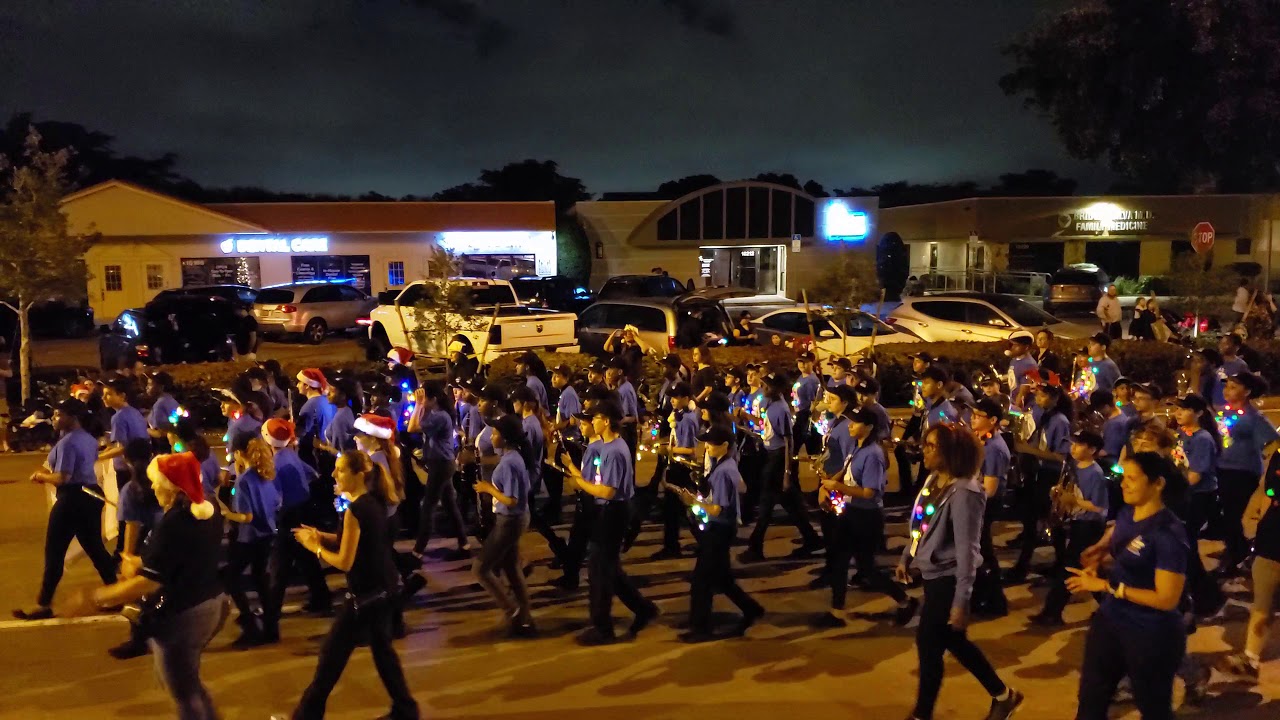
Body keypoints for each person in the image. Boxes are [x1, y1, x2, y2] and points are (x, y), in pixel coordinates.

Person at [57, 452, 228, 719]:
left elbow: (148, 583)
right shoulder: (209, 508)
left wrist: (95, 597)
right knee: (188, 684)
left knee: (185, 692)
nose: (154, 489)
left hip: (184, 614)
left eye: (157, 483)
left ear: (170, 487)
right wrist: (140, 560)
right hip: (211, 603)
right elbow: (181, 556)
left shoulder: (173, 525)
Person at [898, 423, 1024, 720]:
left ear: (952, 452)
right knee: (953, 641)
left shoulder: (965, 491)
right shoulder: (934, 481)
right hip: (932, 574)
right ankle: (1004, 696)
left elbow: (969, 549)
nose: (924, 450)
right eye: (925, 444)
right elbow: (921, 525)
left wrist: (961, 600)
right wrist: (908, 555)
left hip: (950, 578)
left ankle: (922, 714)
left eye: (932, 446)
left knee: (928, 647)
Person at [289, 451, 420, 720]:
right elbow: (353, 540)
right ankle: (406, 709)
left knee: (330, 658)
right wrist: (320, 535)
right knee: (383, 654)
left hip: (365, 597)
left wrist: (314, 547)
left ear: (358, 474)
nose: (334, 474)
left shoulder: (356, 510)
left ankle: (305, 716)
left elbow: (345, 561)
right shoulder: (373, 503)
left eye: (341, 470)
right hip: (384, 590)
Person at [1070, 452, 1189, 720]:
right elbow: (1125, 550)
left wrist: (1108, 586)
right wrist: (1098, 556)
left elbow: (1167, 599)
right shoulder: (1127, 512)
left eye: (1132, 479)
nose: (1123, 484)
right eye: (1123, 478)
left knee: (1153, 708)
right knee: (1090, 699)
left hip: (1151, 634)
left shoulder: (1168, 534)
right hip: (1111, 621)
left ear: (1157, 484)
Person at [556, 402, 659, 646]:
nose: (593, 422)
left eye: (597, 417)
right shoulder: (608, 446)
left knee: (599, 572)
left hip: (613, 512)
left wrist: (580, 484)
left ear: (608, 420)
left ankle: (603, 628)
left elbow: (608, 491)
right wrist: (573, 469)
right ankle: (643, 609)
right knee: (608, 568)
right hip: (610, 511)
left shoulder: (613, 450)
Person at [13, 398, 117, 620]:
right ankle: (116, 591)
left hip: (73, 497)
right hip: (90, 494)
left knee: (55, 551)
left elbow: (62, 477)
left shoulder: (68, 442)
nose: (55, 418)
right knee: (94, 548)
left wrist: (41, 476)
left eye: (60, 414)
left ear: (73, 417)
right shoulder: (87, 439)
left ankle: (44, 604)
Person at [818, 403, 918, 628]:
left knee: (866, 569)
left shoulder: (873, 454)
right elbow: (846, 473)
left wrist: (838, 487)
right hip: (851, 512)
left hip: (865, 517)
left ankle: (906, 600)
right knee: (841, 562)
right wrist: (830, 484)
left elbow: (869, 492)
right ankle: (837, 611)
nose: (850, 426)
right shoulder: (857, 447)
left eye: (855, 423)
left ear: (869, 427)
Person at [673, 424, 764, 642]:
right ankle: (751, 609)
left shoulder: (724, 471)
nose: (706, 447)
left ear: (724, 446)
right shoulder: (724, 465)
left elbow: (718, 508)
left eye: (711, 444)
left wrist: (692, 501)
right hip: (722, 528)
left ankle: (701, 628)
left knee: (701, 582)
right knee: (722, 579)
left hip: (719, 529)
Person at [1030, 430, 1110, 626]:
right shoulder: (1072, 466)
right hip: (1076, 522)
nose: (1072, 447)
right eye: (1072, 443)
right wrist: (1057, 493)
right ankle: (1111, 608)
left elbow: (1099, 507)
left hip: (1089, 525)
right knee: (1088, 569)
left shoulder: (1096, 474)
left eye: (1079, 444)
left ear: (1092, 450)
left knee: (1071, 567)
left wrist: (1074, 500)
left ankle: (1052, 612)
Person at [741, 372, 822, 562]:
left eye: (768, 386)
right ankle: (811, 538)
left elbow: (788, 440)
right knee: (790, 503)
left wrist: (787, 471)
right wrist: (747, 420)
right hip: (770, 454)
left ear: (778, 389)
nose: (764, 388)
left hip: (777, 459)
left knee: (767, 503)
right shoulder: (769, 404)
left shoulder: (781, 409)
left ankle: (756, 546)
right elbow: (766, 428)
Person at [1218, 446, 1280, 682]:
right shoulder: (1278, 453)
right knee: (1262, 603)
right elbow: (1266, 488)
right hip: (1272, 537)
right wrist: (1252, 518)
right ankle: (1251, 659)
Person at [472, 414, 536, 637]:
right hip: (513, 519)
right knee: (511, 568)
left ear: (506, 438)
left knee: (480, 569)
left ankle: (513, 610)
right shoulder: (513, 457)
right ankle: (524, 618)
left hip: (509, 520)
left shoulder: (510, 462)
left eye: (496, 433)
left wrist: (488, 489)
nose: (492, 436)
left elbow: (513, 500)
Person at [261, 419, 332, 619]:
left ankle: (271, 610)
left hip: (288, 516)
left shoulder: (276, 463)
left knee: (279, 564)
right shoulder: (291, 455)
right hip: (303, 510)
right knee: (306, 558)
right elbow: (312, 474)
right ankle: (321, 598)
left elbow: (274, 497)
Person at [218, 434, 281, 647]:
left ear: (238, 453)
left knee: (231, 579)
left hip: (250, 535)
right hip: (267, 533)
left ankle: (250, 625)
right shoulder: (267, 474)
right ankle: (271, 628)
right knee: (260, 578)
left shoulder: (245, 480)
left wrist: (226, 513)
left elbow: (247, 516)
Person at [1215, 371, 1280, 575]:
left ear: (1247, 391)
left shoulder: (1254, 418)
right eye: (1226, 386)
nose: (1227, 390)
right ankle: (1232, 552)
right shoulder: (1224, 412)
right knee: (1226, 516)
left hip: (1243, 473)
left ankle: (1240, 557)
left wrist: (1268, 478)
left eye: (1234, 387)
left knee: (1238, 516)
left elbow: (1272, 443)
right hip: (1222, 469)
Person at [1009, 382, 1073, 582]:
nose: (1038, 400)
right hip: (1035, 473)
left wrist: (1027, 450)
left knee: (1050, 522)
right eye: (1038, 396)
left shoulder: (1060, 421)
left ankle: (1059, 564)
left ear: (1055, 399)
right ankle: (1032, 564)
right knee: (1031, 522)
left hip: (1049, 476)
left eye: (1044, 396)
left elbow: (1061, 457)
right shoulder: (1040, 414)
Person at [106, 438, 164, 659]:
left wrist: (127, 558)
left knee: (136, 594)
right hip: (165, 539)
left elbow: (132, 526)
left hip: (145, 544)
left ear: (126, 459)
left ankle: (138, 640)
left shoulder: (131, 489)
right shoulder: (159, 478)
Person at [1172, 394, 1225, 616]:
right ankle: (1202, 597)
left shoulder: (1202, 439)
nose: (1178, 413)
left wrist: (1169, 486)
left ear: (1199, 413)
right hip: (1184, 496)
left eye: (1184, 409)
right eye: (1177, 409)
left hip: (1198, 497)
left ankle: (1207, 598)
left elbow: (1194, 476)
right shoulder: (1182, 434)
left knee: (1187, 547)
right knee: (1186, 547)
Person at [409, 382, 470, 560]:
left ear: (433, 399)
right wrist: (422, 405)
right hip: (442, 463)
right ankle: (464, 544)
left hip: (441, 465)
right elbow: (420, 422)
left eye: (424, 397)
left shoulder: (440, 416)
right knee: (450, 505)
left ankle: (417, 552)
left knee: (428, 507)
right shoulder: (436, 413)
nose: (420, 400)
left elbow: (412, 427)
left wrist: (418, 405)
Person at [968, 398, 1010, 617]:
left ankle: (995, 601)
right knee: (978, 552)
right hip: (977, 502)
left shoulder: (994, 448)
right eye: (973, 414)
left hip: (985, 504)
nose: (973, 418)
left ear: (993, 420)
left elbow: (990, 489)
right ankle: (981, 597)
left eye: (978, 415)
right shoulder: (982, 440)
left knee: (983, 553)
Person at [653, 382, 699, 560]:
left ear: (686, 399)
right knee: (677, 509)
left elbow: (691, 449)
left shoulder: (687, 419)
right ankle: (672, 544)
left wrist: (669, 451)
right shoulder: (679, 415)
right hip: (676, 466)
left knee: (681, 509)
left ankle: (675, 545)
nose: (672, 400)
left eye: (676, 397)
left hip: (682, 468)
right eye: (671, 397)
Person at [296, 368, 336, 468]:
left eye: (299, 382)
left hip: (317, 456)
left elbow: (301, 434)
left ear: (307, 385)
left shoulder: (309, 406)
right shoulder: (327, 401)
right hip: (331, 451)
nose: (297, 385)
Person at [145, 371, 180, 446]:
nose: (146, 387)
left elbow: (160, 434)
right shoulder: (170, 399)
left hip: (166, 446)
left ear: (161, 387)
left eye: (150, 384)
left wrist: (144, 429)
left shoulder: (160, 404)